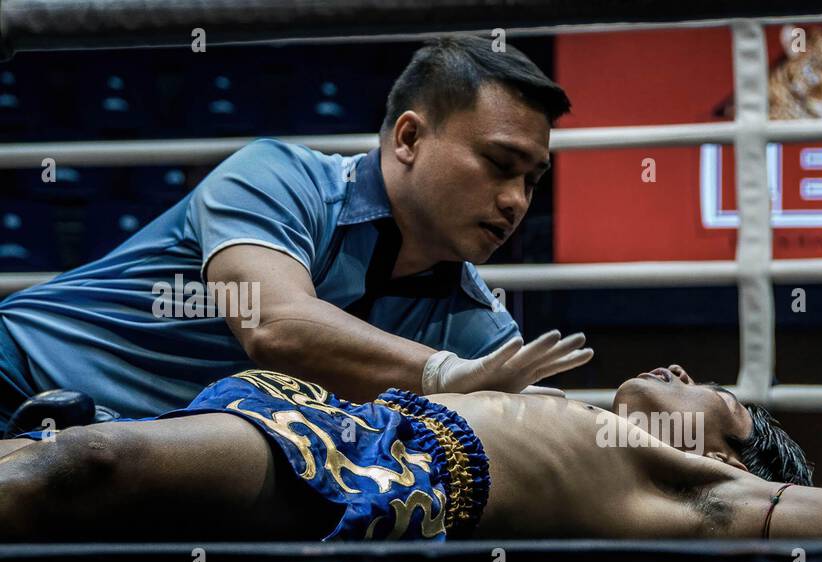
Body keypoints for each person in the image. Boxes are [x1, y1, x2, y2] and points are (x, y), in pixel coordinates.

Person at [0, 35, 589, 433]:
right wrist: (445, 375)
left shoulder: (479, 327)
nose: (516, 201)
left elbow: (527, 436)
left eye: (532, 180)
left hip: (115, 459)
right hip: (19, 370)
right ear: (408, 138)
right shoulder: (277, 176)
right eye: (498, 163)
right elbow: (274, 324)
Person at [0, 363, 822, 543]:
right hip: (341, 425)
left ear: (734, 438)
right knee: (86, 455)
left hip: (386, 482)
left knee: (90, 466)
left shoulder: (699, 483)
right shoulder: (585, 408)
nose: (670, 378)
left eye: (705, 387)